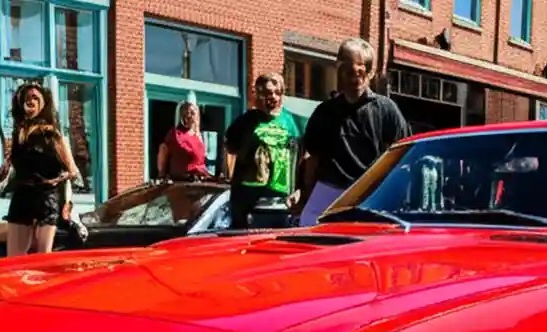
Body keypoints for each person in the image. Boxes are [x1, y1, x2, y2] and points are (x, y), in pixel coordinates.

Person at [296, 38, 410, 226]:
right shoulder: (325, 112)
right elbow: (312, 158)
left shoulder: (386, 109)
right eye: (348, 72)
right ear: (339, 70)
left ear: (371, 72)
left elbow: (401, 156)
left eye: (360, 72)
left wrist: (394, 193)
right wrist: (305, 194)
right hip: (330, 188)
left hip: (370, 191)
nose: (354, 78)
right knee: (308, 226)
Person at [3, 81, 79, 256]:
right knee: (13, 258)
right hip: (22, 196)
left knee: (42, 256)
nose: (31, 102)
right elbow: (5, 169)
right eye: (27, 98)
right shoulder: (18, 134)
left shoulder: (52, 135)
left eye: (36, 98)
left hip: (46, 197)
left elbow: (73, 171)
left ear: (43, 104)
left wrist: (55, 181)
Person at [224, 73, 301, 229]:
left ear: (282, 94)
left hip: (283, 202)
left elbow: (303, 157)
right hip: (251, 203)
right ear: (258, 95)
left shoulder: (292, 121)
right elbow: (229, 148)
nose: (271, 97)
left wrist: (300, 190)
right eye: (265, 93)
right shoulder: (246, 121)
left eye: (276, 92)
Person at [157, 101, 209, 181]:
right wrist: (161, 176)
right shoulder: (175, 134)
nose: (189, 116)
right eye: (186, 113)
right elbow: (163, 150)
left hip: (199, 179)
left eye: (192, 113)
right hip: (182, 180)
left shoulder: (198, 136)